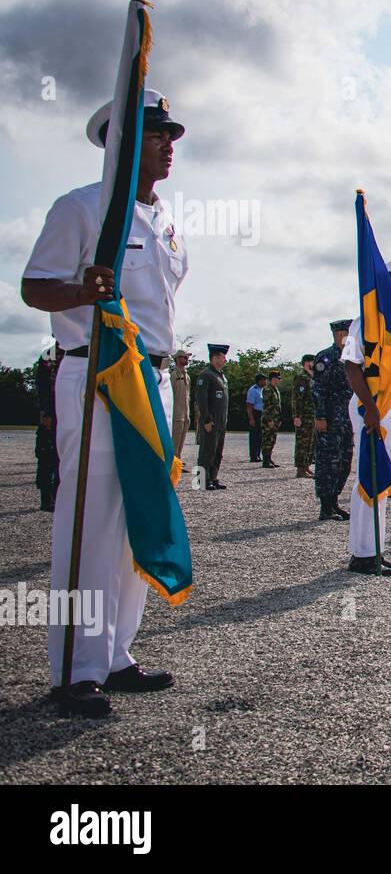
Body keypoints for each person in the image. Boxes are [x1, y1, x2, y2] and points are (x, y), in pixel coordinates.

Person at [20, 87, 186, 716]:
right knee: (89, 521)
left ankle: (115, 654)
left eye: (171, 134)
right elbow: (36, 288)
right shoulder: (82, 208)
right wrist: (82, 293)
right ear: (118, 141)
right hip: (95, 377)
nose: (168, 144)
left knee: (133, 519)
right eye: (154, 133)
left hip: (154, 381)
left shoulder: (166, 221)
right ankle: (74, 667)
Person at [340, 260, 391, 575]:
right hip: (374, 408)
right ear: (387, 288)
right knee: (368, 477)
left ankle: (375, 548)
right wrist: (370, 408)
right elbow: (351, 364)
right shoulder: (365, 322)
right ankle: (362, 553)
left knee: (382, 479)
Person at [312, 319, 354, 522]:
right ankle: (325, 506)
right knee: (327, 462)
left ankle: (334, 501)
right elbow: (318, 390)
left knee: (344, 461)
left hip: (347, 419)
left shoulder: (351, 357)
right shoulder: (326, 358)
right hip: (330, 418)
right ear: (339, 334)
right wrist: (320, 417)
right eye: (347, 332)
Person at [194, 344, 229, 490]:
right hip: (211, 421)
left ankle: (213, 477)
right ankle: (202, 480)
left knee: (217, 452)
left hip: (221, 421)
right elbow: (202, 399)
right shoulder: (206, 375)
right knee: (206, 451)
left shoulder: (220, 375)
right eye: (223, 358)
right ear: (215, 358)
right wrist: (207, 420)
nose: (225, 360)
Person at [35, 348, 62, 512]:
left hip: (69, 407)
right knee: (46, 454)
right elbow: (42, 384)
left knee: (64, 455)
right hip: (51, 408)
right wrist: (45, 410)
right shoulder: (48, 355)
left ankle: (59, 496)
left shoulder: (80, 350)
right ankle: (46, 498)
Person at [291, 354, 315, 478]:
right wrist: (297, 416)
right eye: (312, 361)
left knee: (311, 442)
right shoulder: (301, 377)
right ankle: (300, 469)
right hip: (304, 416)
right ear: (307, 363)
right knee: (302, 442)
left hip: (312, 416)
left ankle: (306, 466)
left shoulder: (312, 377)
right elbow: (297, 399)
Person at [169, 349, 191, 473]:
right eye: (184, 357)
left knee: (181, 441)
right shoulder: (173, 375)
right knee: (175, 440)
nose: (187, 359)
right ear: (178, 359)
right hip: (176, 413)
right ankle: (173, 464)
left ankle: (178, 462)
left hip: (185, 413)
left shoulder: (186, 375)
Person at [260, 370, 282, 468]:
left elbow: (277, 406)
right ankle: (265, 460)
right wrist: (269, 420)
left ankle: (269, 458)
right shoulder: (267, 389)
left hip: (275, 418)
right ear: (273, 378)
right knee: (267, 439)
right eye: (278, 378)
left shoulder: (275, 389)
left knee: (272, 439)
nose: (279, 380)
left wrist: (279, 419)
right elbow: (266, 406)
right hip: (269, 419)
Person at [246, 373, 265, 462]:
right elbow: (249, 405)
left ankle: (258, 454)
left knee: (260, 436)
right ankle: (253, 456)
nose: (265, 382)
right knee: (254, 436)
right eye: (263, 380)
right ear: (259, 381)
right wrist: (251, 418)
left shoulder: (262, 390)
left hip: (261, 413)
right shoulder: (253, 390)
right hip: (255, 413)